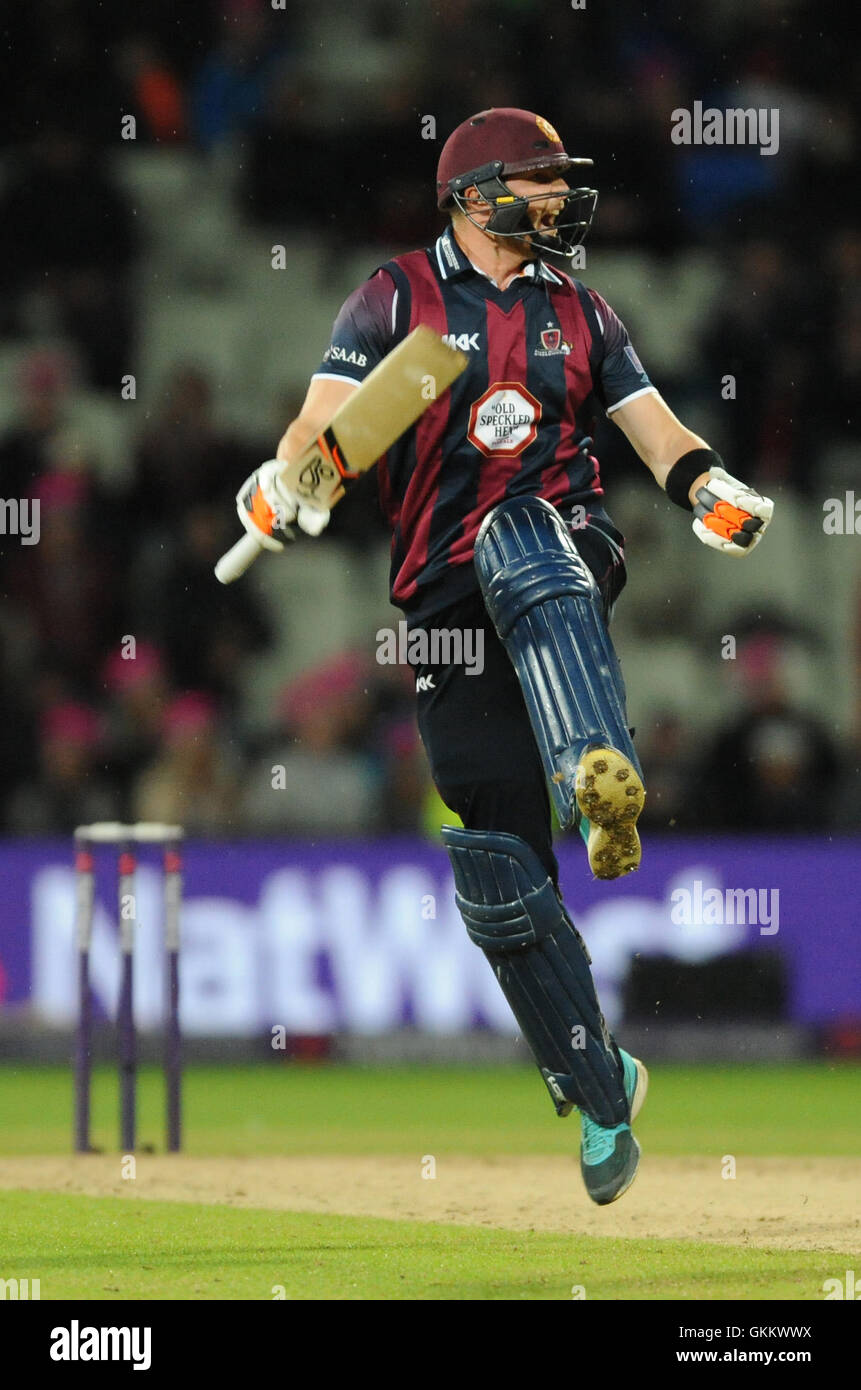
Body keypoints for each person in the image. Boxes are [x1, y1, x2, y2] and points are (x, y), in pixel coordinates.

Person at [229, 108, 774, 1205]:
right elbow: (319, 429)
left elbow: (656, 432)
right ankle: (597, 1078)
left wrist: (709, 487)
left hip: (563, 550)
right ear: (476, 195)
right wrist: (279, 485)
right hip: (440, 598)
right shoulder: (393, 298)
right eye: (537, 183)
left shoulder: (582, 307)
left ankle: (593, 769)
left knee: (522, 537)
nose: (560, 201)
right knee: (493, 862)